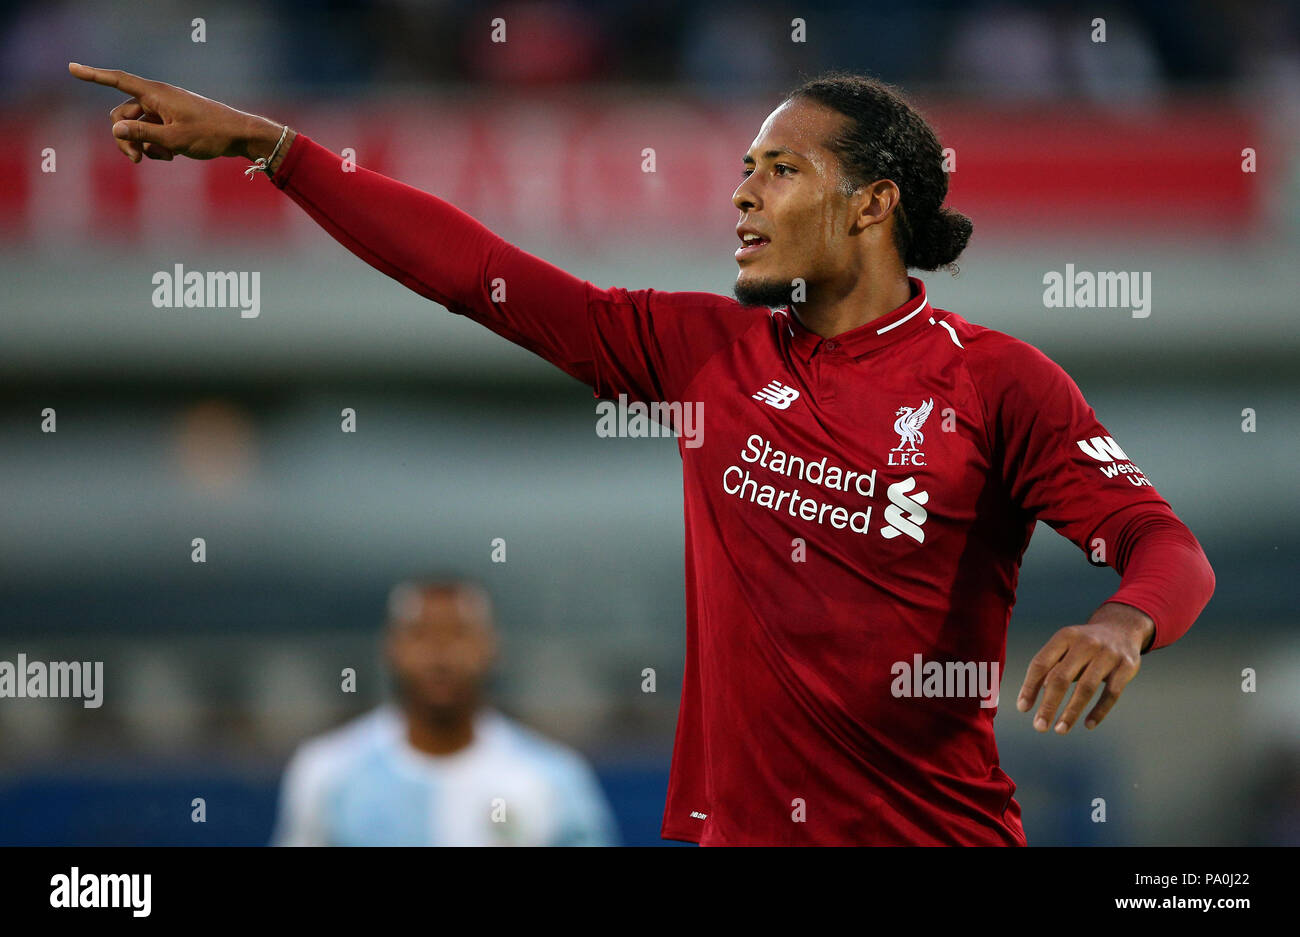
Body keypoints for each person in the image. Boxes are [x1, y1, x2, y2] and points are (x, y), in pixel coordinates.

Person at [71, 63, 1215, 845]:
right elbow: (479, 279)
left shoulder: (991, 380)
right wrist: (277, 149)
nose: (741, 191)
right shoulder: (698, 351)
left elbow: (1163, 544)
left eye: (778, 169)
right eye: (744, 168)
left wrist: (1124, 618)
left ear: (871, 204)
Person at [271, 578, 619, 846]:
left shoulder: (553, 779)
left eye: (459, 635)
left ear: (491, 646)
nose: (440, 654)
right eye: (421, 635)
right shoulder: (329, 771)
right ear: (391, 647)